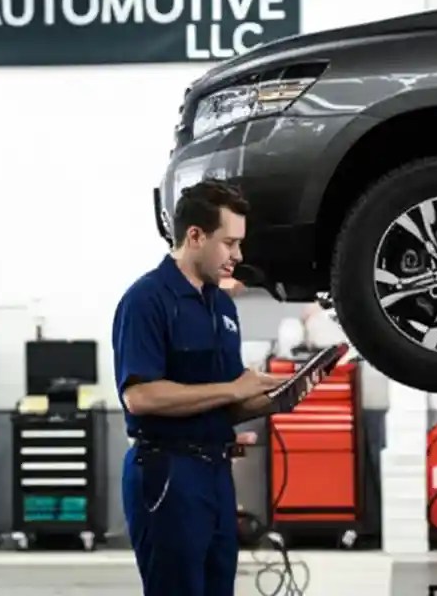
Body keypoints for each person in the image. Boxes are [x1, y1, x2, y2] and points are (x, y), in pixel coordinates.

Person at [112, 179, 288, 596]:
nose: (238, 255)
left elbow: (227, 400)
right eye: (229, 243)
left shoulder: (221, 305)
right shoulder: (146, 300)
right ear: (195, 236)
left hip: (215, 472)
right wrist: (233, 391)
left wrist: (277, 399)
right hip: (167, 475)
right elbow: (139, 397)